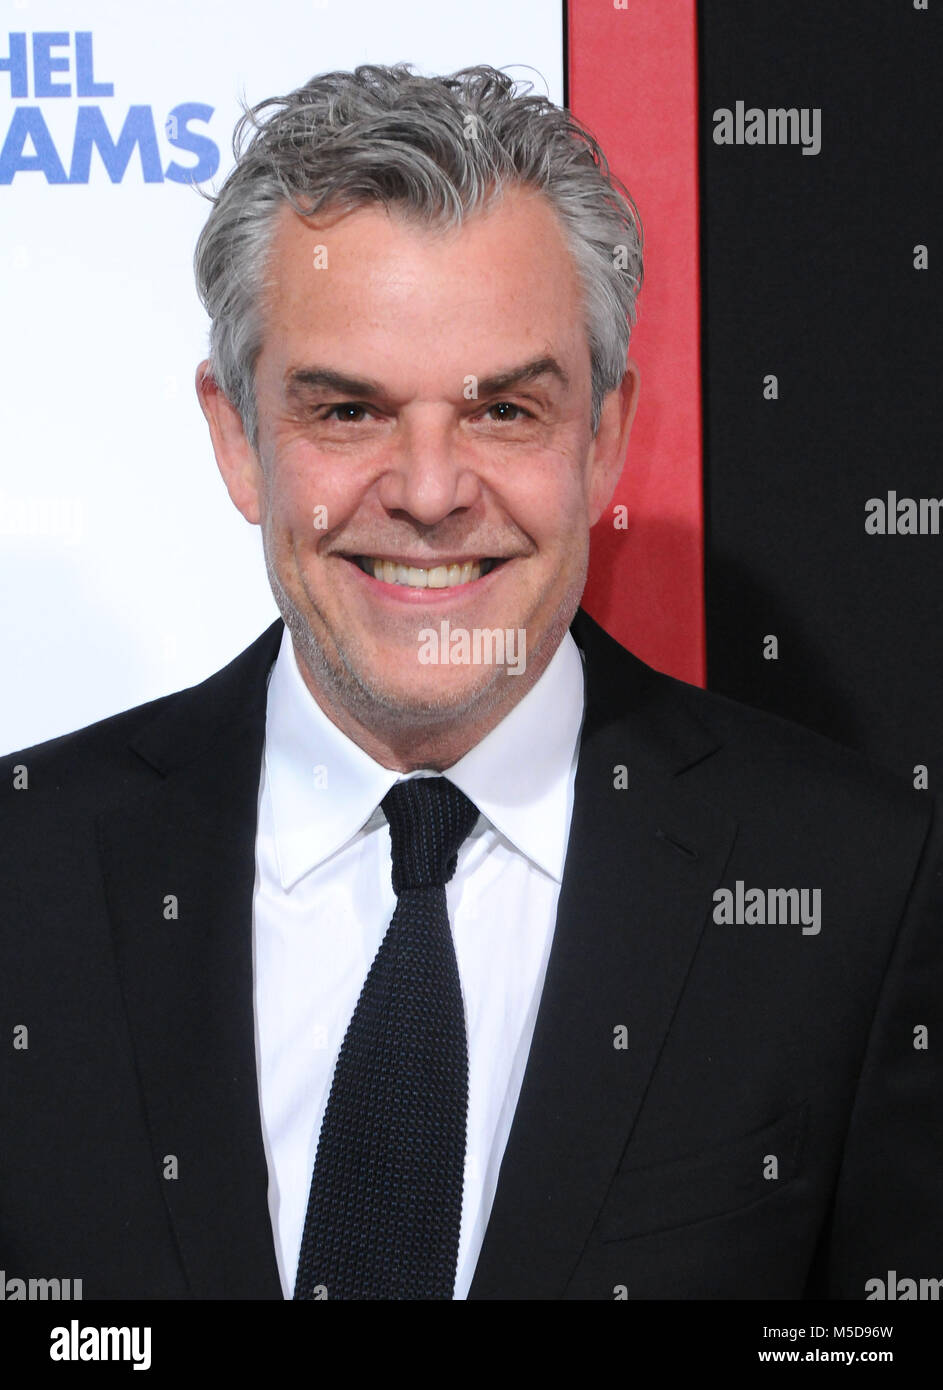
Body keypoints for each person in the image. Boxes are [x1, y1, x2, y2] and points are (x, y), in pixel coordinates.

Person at [2, 62, 941, 1302]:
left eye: (503, 410)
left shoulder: (855, 888)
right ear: (238, 440)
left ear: (603, 437)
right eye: (346, 410)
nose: (432, 491)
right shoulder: (28, 871)